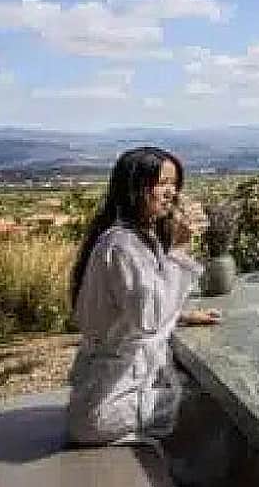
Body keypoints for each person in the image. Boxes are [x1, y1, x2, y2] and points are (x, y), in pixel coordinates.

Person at [66, 146, 222, 451]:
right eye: (162, 183)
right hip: (107, 406)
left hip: (114, 391)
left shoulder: (134, 237)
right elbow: (148, 320)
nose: (171, 193)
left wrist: (180, 314)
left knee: (201, 397)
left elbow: (130, 309)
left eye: (174, 184)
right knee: (214, 410)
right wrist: (179, 248)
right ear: (134, 188)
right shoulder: (121, 246)